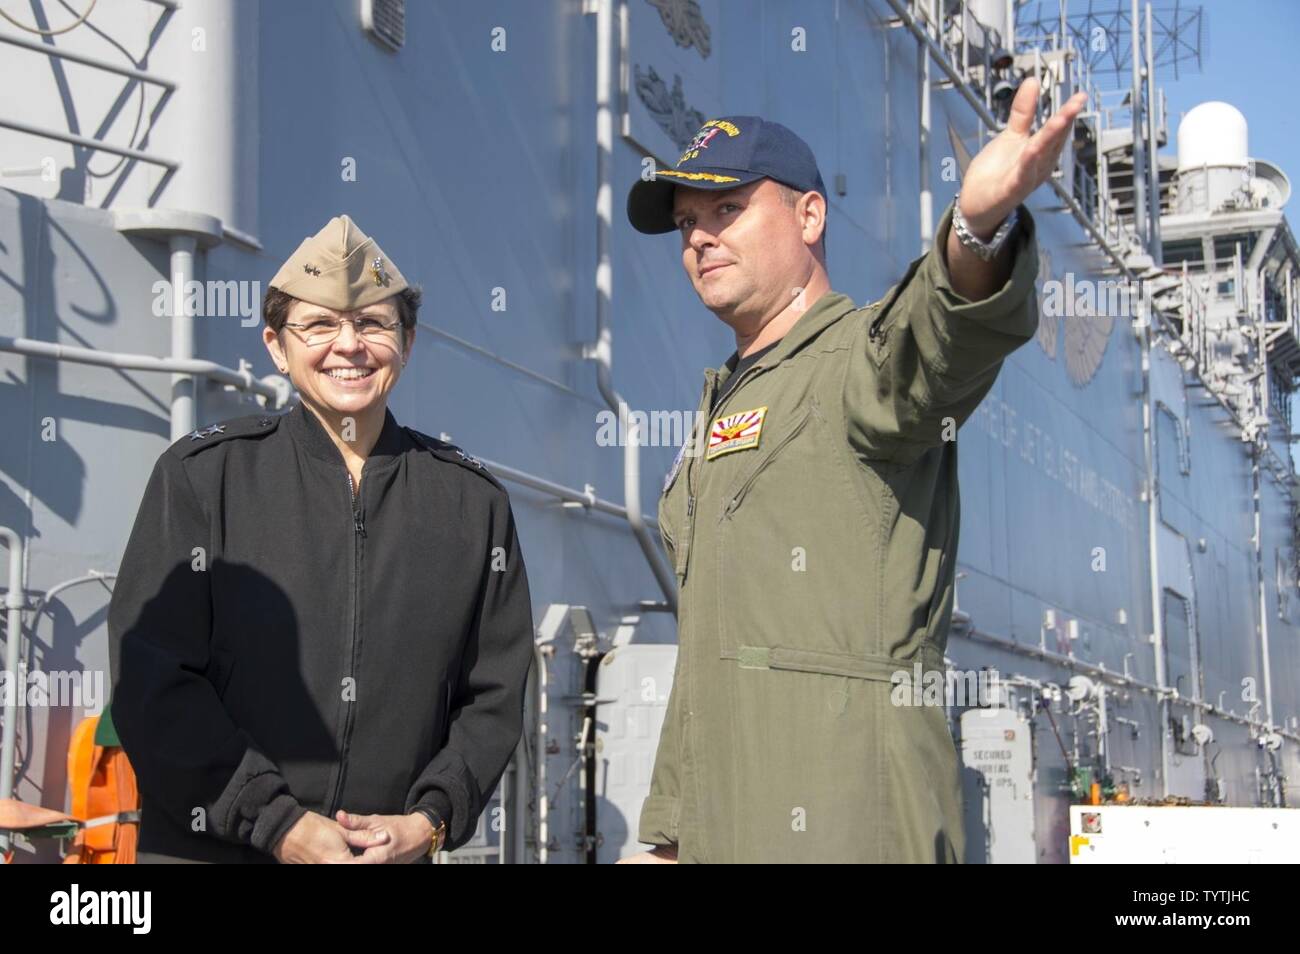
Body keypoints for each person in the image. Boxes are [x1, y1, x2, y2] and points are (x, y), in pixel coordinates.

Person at [619, 79, 1085, 862]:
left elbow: (937, 336)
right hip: (720, 827)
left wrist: (975, 229)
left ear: (809, 215)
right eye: (686, 223)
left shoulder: (858, 361)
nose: (698, 238)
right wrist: (665, 834)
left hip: (849, 822)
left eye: (727, 209)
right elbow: (710, 656)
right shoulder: (730, 398)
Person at [108, 214, 535, 863]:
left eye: (372, 323)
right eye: (319, 324)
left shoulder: (471, 505)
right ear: (277, 345)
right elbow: (153, 681)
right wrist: (277, 823)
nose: (349, 344)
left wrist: (428, 821)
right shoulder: (204, 479)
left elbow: (495, 697)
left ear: (407, 342)